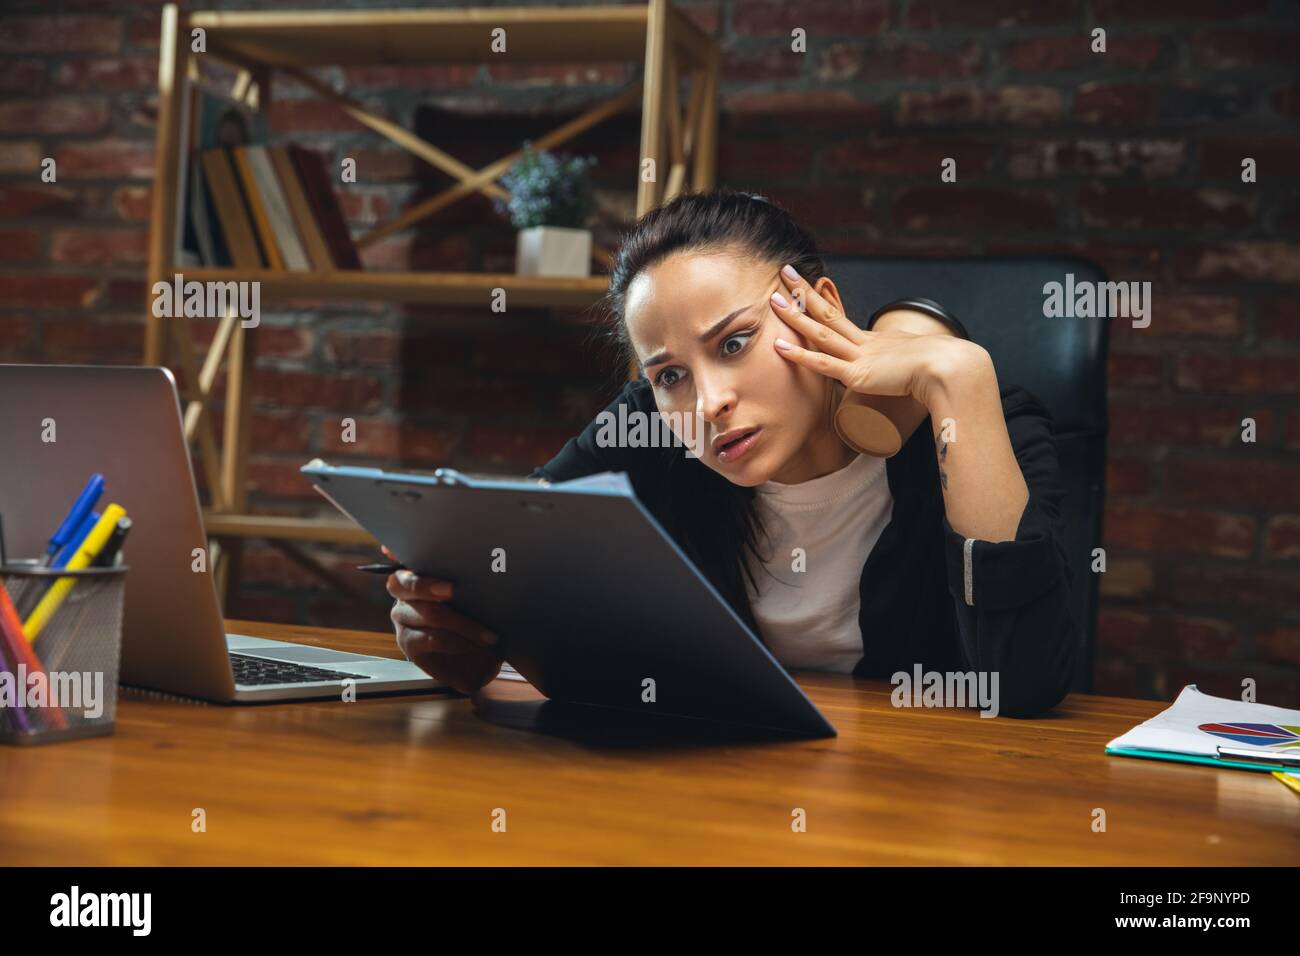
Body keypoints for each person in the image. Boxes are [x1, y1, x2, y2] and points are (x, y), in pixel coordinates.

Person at [387, 188, 1079, 717]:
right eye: (669, 375)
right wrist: (466, 636)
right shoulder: (651, 427)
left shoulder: (976, 419)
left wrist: (959, 376)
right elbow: (510, 548)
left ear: (816, 304)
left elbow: (1021, 684)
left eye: (734, 343)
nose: (708, 402)